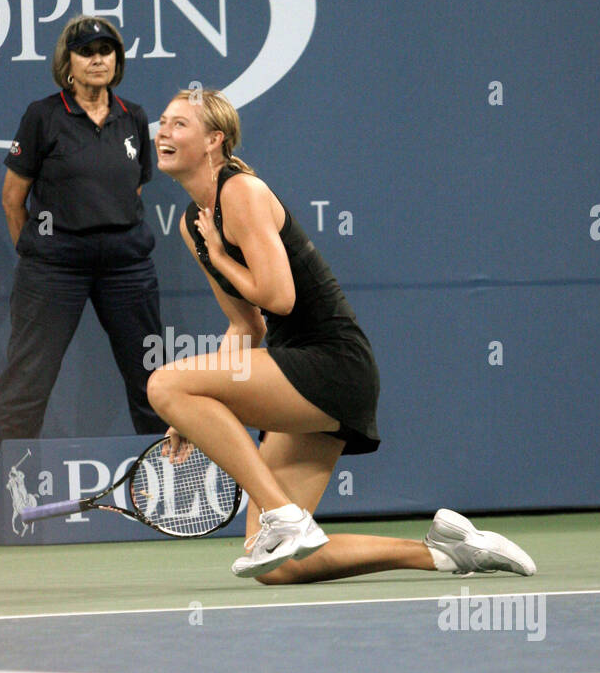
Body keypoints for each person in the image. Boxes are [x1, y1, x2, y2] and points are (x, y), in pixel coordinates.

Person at [147, 89, 536, 582]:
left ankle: (282, 518)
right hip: (296, 369)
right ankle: (446, 552)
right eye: (162, 122)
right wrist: (191, 407)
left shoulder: (241, 191)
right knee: (277, 568)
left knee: (164, 382)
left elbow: (279, 297)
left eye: (179, 124)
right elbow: (247, 325)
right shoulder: (192, 223)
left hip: (332, 365)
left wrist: (221, 261)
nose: (163, 132)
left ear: (213, 140)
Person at [0, 15, 163, 542]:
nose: (98, 58)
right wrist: (41, 253)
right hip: (56, 265)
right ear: (66, 63)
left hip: (126, 264)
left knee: (154, 383)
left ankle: (167, 494)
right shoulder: (43, 116)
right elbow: (13, 199)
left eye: (107, 49)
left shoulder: (134, 117)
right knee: (26, 383)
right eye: (86, 50)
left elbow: (133, 190)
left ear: (118, 61)